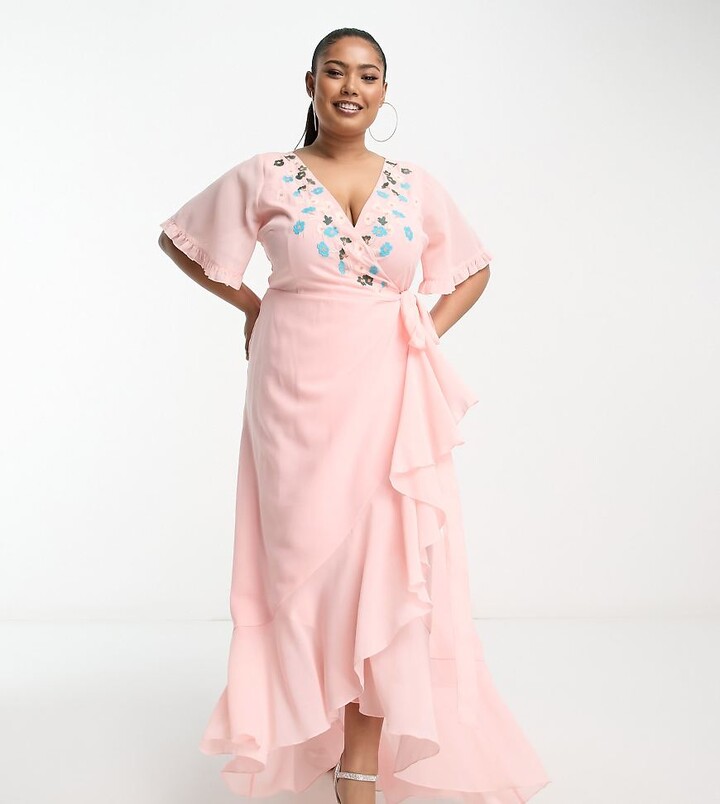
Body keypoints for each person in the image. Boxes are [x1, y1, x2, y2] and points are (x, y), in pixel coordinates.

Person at [158, 26, 550, 804]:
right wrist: (252, 305)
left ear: (384, 92)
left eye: (367, 76)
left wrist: (422, 331)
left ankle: (359, 762)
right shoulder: (266, 173)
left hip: (389, 391)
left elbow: (471, 269)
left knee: (384, 564)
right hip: (294, 391)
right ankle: (311, 722)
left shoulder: (416, 184)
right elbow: (180, 239)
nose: (350, 87)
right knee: (311, 569)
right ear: (310, 84)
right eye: (335, 72)